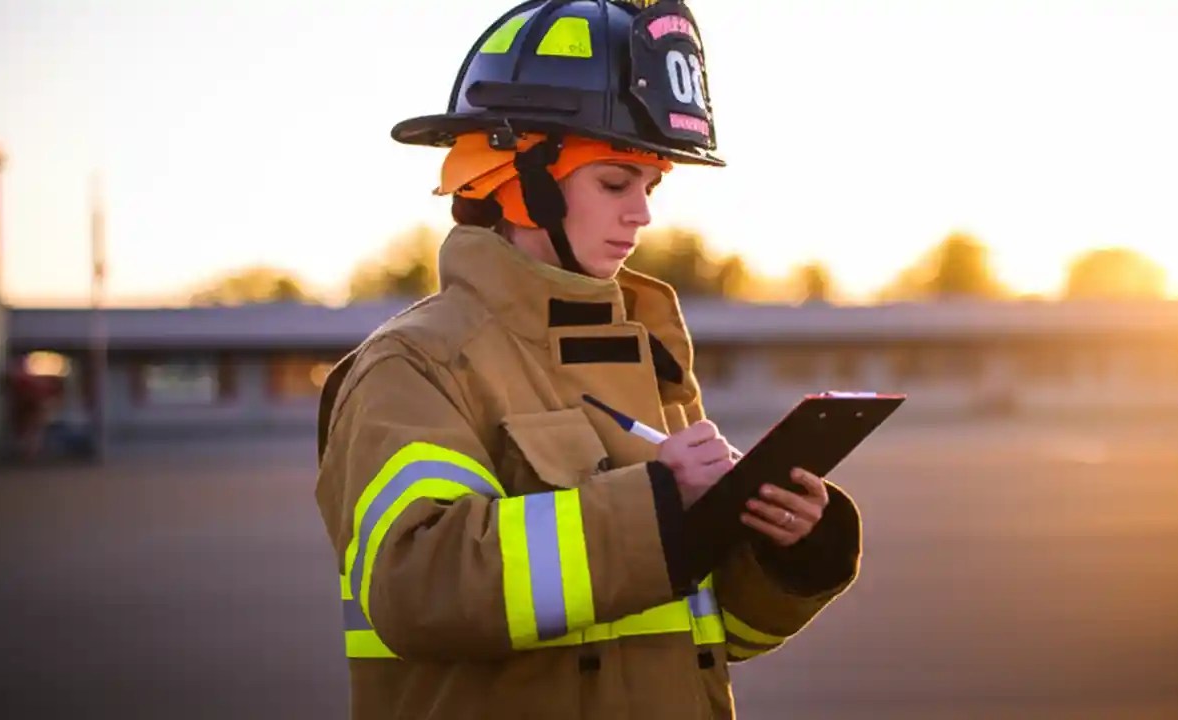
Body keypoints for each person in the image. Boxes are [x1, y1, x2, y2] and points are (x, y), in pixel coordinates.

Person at [314, 1, 862, 717]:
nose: (642, 214)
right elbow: (419, 587)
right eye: (614, 183)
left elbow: (694, 633)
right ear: (517, 177)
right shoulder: (417, 364)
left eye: (650, 186)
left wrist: (786, 551)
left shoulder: (651, 356)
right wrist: (660, 507)